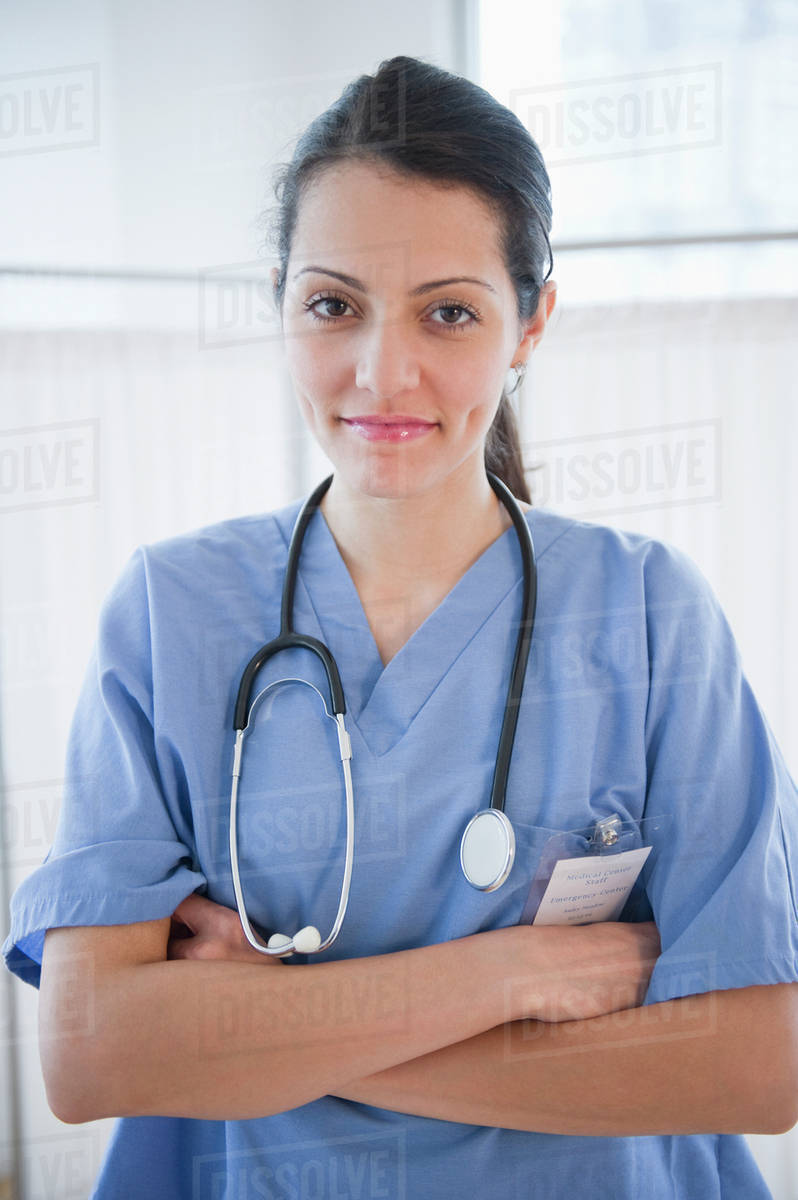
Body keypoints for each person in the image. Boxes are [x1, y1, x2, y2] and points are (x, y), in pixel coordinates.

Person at [4, 54, 798, 1199]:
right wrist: (509, 973)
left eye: (450, 312)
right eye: (334, 305)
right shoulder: (172, 612)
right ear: (279, 303)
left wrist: (267, 1032)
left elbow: (754, 1067)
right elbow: (94, 1058)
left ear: (530, 324)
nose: (384, 373)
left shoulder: (648, 614)